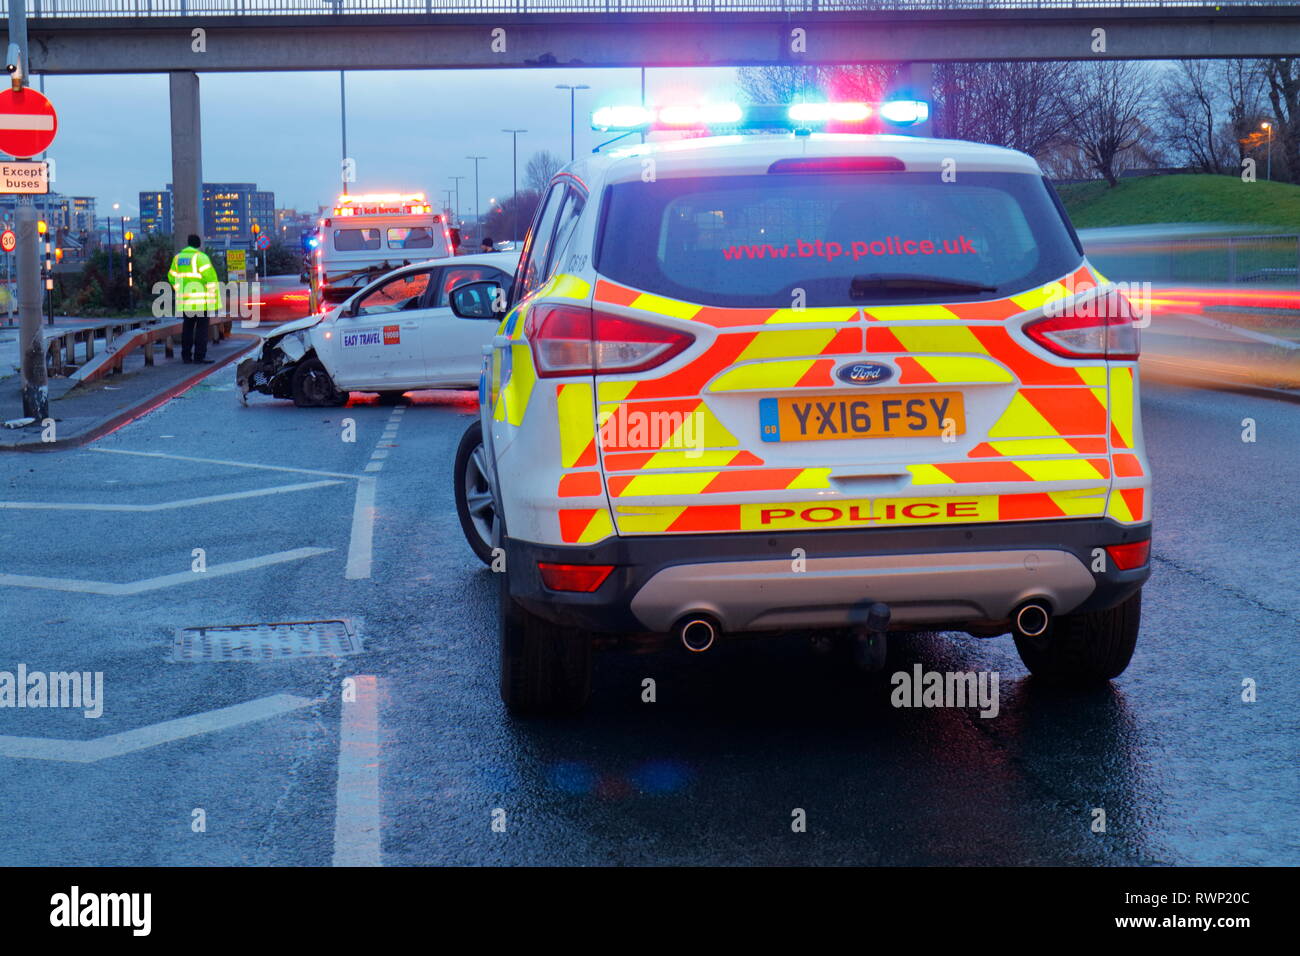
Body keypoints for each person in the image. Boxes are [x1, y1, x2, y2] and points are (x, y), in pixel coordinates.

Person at [167, 234, 221, 364]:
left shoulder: (178, 258)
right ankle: (199, 356)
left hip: (185, 302)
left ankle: (186, 356)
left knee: (187, 329)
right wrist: (214, 302)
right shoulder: (201, 258)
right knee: (201, 330)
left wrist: (179, 289)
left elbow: (171, 276)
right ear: (198, 245)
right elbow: (211, 280)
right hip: (201, 302)